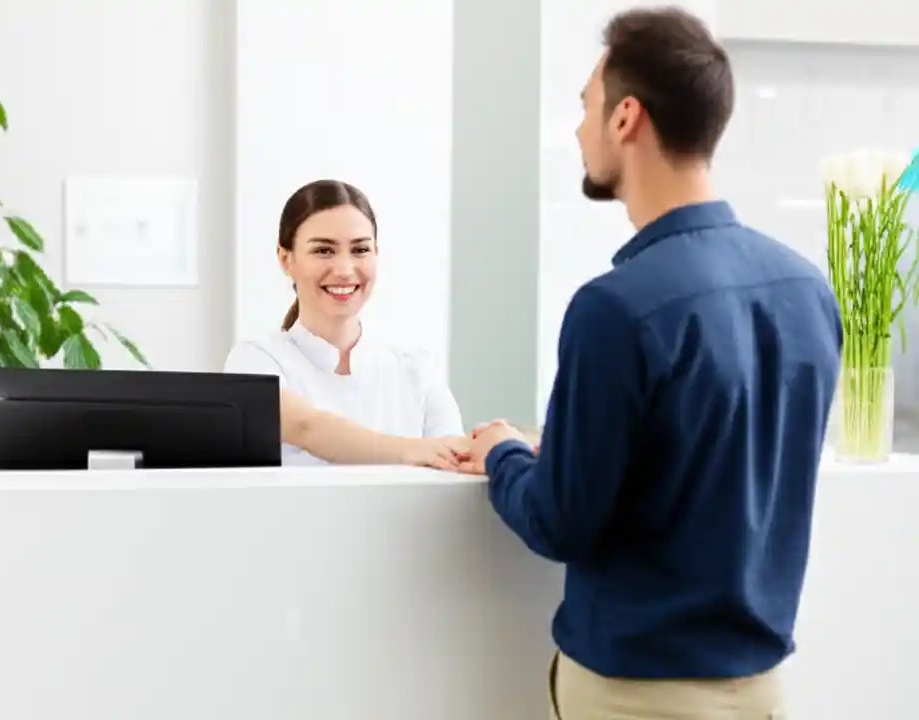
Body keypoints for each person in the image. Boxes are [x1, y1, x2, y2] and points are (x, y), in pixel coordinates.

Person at [460, 8, 842, 719]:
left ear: (626, 117)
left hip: (637, 699)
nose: (579, 129)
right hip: (764, 694)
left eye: (585, 107)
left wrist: (505, 455)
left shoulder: (616, 308)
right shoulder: (807, 289)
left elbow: (560, 522)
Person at [225, 179, 470, 469]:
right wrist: (413, 450)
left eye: (360, 250)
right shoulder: (256, 360)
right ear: (286, 258)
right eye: (323, 251)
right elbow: (308, 428)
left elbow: (454, 461)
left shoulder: (415, 368)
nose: (344, 269)